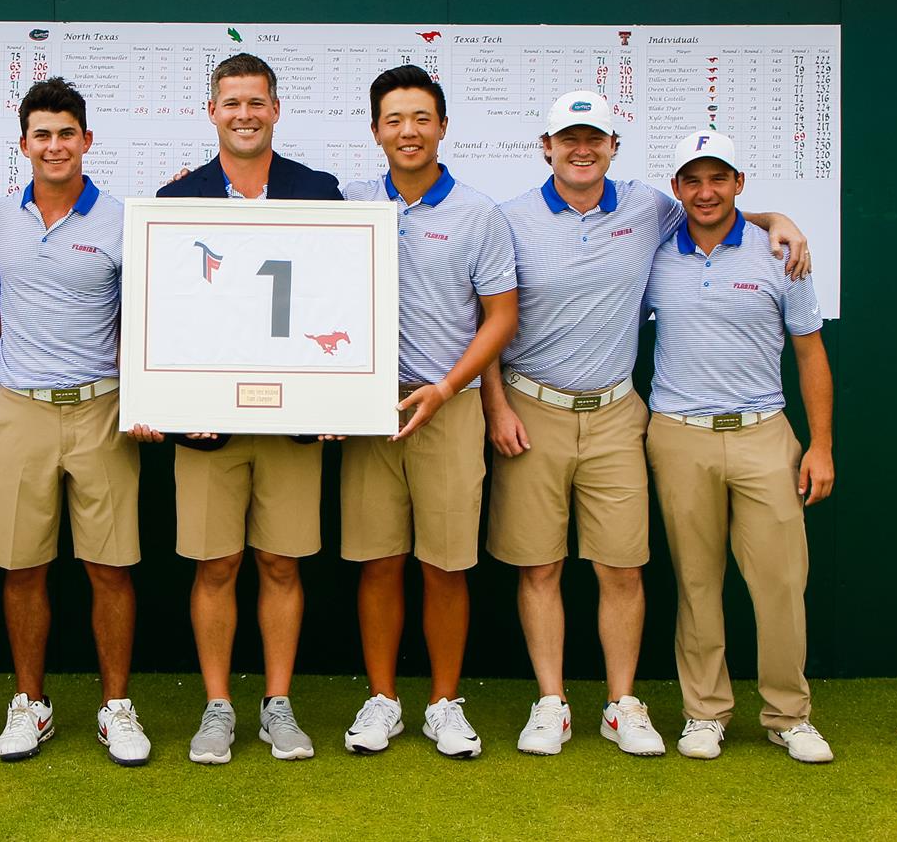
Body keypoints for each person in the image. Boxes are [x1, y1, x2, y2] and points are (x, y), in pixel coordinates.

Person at [481, 89, 812, 758]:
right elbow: (483, 315)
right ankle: (552, 703)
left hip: (615, 413)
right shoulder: (507, 218)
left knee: (622, 568)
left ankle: (621, 704)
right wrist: (495, 405)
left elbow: (717, 211)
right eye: (568, 138)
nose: (581, 148)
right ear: (545, 147)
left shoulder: (647, 209)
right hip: (529, 408)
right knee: (539, 568)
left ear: (612, 148)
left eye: (594, 138)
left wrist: (780, 219)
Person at [147, 52, 341, 764]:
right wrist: (169, 402)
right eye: (231, 103)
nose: (245, 114)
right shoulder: (177, 201)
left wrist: (333, 396)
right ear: (212, 112)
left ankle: (278, 706)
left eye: (256, 102)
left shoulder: (318, 192)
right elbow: (159, 315)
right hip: (208, 424)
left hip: (291, 422)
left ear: (276, 109)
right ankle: (219, 707)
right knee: (217, 565)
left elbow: (336, 300)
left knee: (283, 564)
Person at [337, 66, 518, 759]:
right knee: (378, 562)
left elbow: (501, 318)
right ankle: (383, 699)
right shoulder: (349, 200)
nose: (407, 131)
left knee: (445, 566)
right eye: (394, 119)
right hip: (370, 410)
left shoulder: (478, 213)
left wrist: (445, 388)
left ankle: (444, 703)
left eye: (421, 118)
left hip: (450, 407)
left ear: (442, 127)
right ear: (376, 130)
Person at [644, 130, 835, 763]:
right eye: (692, 181)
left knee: (780, 583)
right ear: (677, 189)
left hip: (763, 434)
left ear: (738, 184)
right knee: (697, 583)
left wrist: (820, 446)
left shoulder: (781, 254)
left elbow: (810, 352)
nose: (705, 192)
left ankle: (787, 714)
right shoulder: (653, 251)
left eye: (718, 178)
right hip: (677, 435)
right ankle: (705, 713)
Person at [0, 78, 150, 766]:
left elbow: (142, 316)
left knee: (109, 569)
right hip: (20, 409)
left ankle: (116, 708)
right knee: (23, 569)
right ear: (24, 144)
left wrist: (136, 394)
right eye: (42, 134)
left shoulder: (122, 218)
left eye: (67, 133)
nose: (55, 146)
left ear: (86, 139)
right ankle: (32, 705)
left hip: (102, 408)